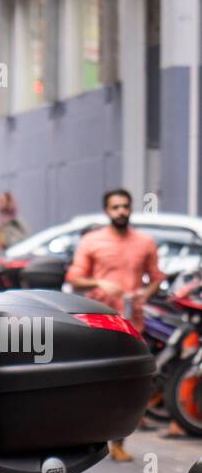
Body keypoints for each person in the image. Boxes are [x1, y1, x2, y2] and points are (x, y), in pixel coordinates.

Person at [67, 187, 169, 455]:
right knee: (95, 378)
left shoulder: (145, 242)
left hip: (130, 322)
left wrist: (143, 296)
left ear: (131, 208)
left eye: (125, 206)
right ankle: (85, 431)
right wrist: (99, 281)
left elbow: (157, 276)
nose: (121, 211)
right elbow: (74, 278)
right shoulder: (92, 241)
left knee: (127, 381)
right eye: (116, 207)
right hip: (97, 319)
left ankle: (118, 442)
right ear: (107, 211)